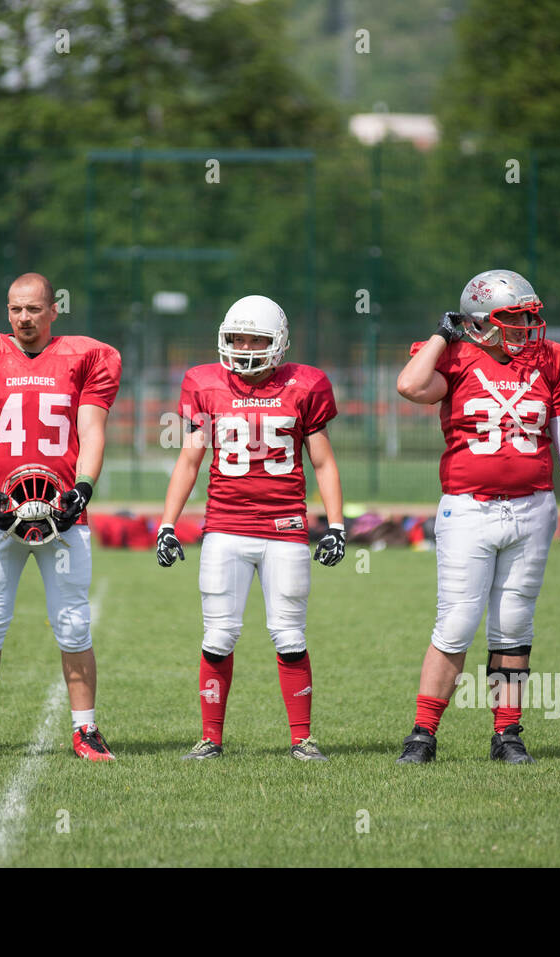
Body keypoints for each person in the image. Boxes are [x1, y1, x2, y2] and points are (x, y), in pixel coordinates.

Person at [393, 269, 560, 765]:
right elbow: (409, 385)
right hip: (468, 507)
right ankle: (422, 734)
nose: (528, 325)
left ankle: (507, 735)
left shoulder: (551, 362)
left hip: (532, 506)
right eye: (515, 317)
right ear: (480, 324)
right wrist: (444, 334)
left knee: (513, 625)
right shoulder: (455, 357)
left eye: (529, 314)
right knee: (457, 623)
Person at [0, 273, 121, 762]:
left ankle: (86, 730)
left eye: (35, 309)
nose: (25, 318)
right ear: (7, 311)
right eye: (17, 309)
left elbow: (92, 431)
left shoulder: (85, 357)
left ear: (53, 309)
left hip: (63, 515)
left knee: (73, 623)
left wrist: (82, 489)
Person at [156, 294, 345, 761]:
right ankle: (210, 739)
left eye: (254, 339)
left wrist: (337, 525)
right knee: (218, 636)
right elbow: (189, 460)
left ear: (278, 343)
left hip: (286, 528)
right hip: (225, 527)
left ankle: (302, 739)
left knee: (290, 636)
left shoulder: (307, 384)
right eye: (236, 338)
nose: (243, 348)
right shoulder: (204, 383)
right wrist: (166, 525)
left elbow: (323, 462)